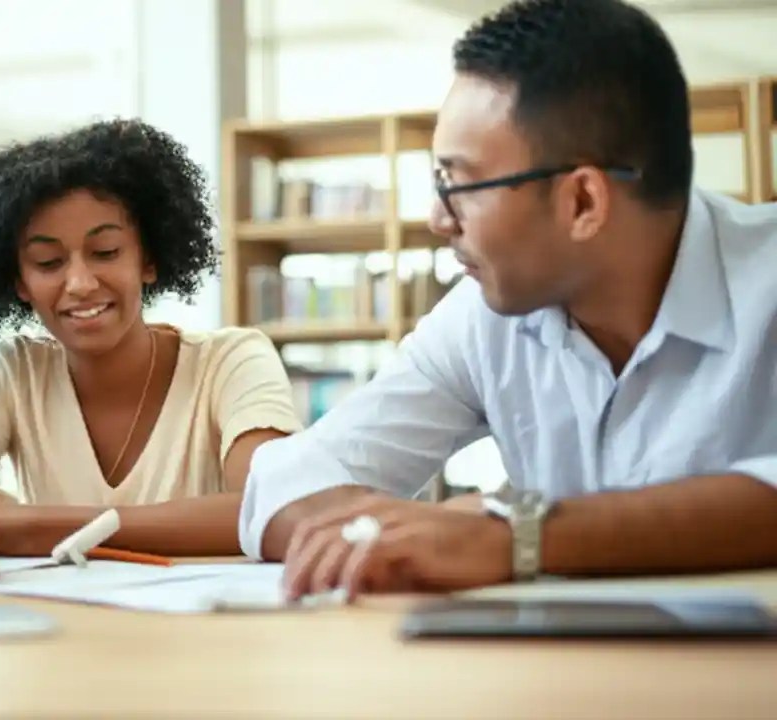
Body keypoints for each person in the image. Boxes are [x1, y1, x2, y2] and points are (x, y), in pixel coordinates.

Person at [241, 0, 777, 600]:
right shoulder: (481, 316)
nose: (438, 218)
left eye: (460, 183)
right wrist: (386, 534)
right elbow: (287, 482)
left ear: (582, 202)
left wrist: (517, 533)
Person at [0, 119, 303, 583]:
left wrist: (35, 526)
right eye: (48, 262)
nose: (79, 283)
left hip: (207, 623)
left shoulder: (233, 360)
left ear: (149, 259)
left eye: (106, 252)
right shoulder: (11, 372)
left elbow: (275, 508)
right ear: (19, 282)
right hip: (66, 624)